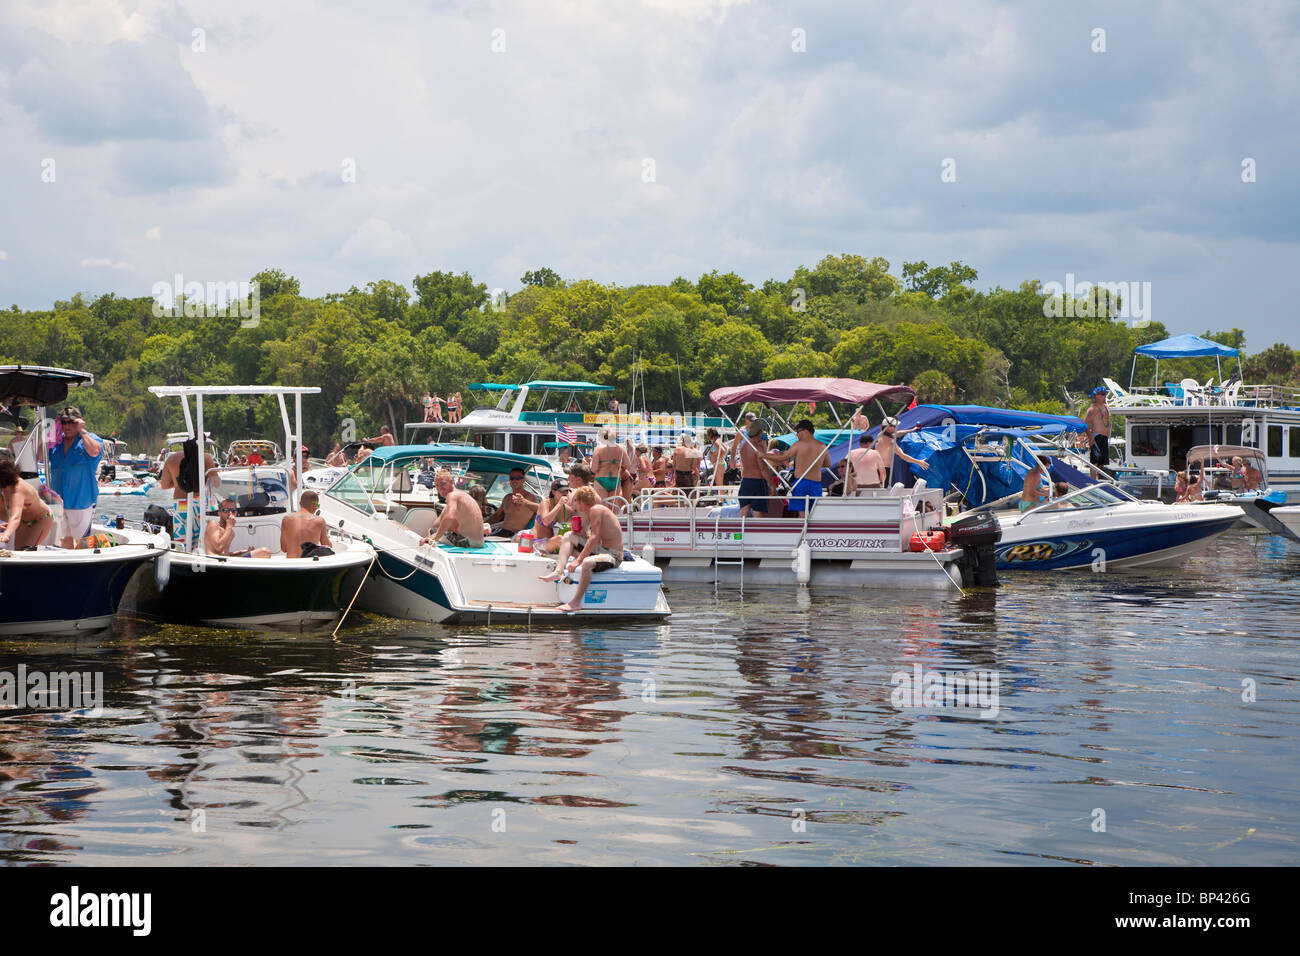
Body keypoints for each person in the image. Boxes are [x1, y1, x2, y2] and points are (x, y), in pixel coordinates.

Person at [540, 486, 625, 612]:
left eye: (575, 502)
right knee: (569, 536)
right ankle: (558, 571)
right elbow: (594, 537)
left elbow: (594, 538)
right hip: (602, 550)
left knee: (586, 563)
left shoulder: (596, 510)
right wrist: (581, 535)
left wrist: (578, 560)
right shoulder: (592, 511)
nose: (574, 507)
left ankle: (575, 602)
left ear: (579, 501)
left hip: (613, 555)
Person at [46, 406, 104, 548]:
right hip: (58, 503)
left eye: (72, 422)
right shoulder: (56, 444)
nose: (67, 426)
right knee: (63, 541)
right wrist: (51, 433)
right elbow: (40, 456)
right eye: (64, 422)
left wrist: (82, 431)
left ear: (79, 422)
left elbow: (95, 451)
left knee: (82, 542)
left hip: (81, 502)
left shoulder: (89, 439)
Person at [158, 435, 221, 550]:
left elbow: (164, 485)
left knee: (181, 542)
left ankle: (182, 560)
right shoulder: (205, 457)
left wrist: (177, 483)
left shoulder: (172, 458)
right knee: (198, 541)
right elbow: (216, 483)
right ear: (203, 443)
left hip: (179, 503)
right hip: (198, 501)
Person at [764, 420, 830, 513]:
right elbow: (828, 464)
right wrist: (814, 462)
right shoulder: (822, 446)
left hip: (801, 483)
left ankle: (803, 527)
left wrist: (763, 455)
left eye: (798, 431)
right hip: (816, 484)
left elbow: (783, 457)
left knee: (801, 514)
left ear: (806, 431)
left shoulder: (798, 445)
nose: (797, 434)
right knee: (814, 513)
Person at [419, 469, 485, 548]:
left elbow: (449, 517)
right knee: (438, 531)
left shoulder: (452, 495)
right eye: (436, 485)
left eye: (443, 484)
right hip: (478, 542)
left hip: (469, 543)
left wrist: (434, 539)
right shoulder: (462, 495)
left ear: (452, 482)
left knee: (433, 531)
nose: (439, 488)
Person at [0, 459, 53, 549]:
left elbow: (15, 517)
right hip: (23, 522)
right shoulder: (4, 487)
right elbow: (4, 512)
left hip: (40, 519)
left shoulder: (18, 489)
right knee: (17, 551)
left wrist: (6, 534)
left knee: (24, 551)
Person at [732, 417, 773, 517]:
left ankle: (738, 531)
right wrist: (772, 484)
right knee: (758, 512)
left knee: (744, 510)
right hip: (758, 482)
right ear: (759, 433)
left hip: (745, 481)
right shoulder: (757, 447)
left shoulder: (743, 446)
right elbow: (762, 468)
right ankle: (758, 532)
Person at [204, 499, 271, 558]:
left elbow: (224, 554)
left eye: (233, 510)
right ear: (219, 513)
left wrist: (241, 552)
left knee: (265, 553)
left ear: (236, 513)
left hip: (226, 562)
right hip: (214, 563)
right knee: (264, 552)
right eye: (226, 510)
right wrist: (229, 526)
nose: (230, 513)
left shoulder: (231, 532)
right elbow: (218, 548)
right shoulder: (213, 524)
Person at [486, 467, 541, 537]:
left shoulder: (531, 498)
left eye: (518, 478)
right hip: (501, 531)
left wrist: (525, 502)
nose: (514, 480)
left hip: (515, 535)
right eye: (512, 478)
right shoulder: (507, 498)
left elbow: (541, 509)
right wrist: (481, 524)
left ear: (523, 480)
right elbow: (496, 516)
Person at [875, 416, 929, 486]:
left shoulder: (880, 435)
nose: (896, 427)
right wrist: (919, 462)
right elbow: (902, 456)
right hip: (884, 470)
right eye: (894, 426)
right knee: (882, 491)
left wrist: (912, 430)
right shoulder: (890, 441)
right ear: (888, 427)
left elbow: (898, 433)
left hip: (877, 468)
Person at [281, 490, 334, 558]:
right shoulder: (319, 521)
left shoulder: (286, 519)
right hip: (308, 565)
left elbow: (284, 548)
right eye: (318, 505)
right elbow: (327, 546)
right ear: (314, 504)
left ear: (300, 503)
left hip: (291, 564)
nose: (317, 507)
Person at [589, 426, 630, 501]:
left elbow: (594, 469)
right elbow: (627, 464)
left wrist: (591, 464)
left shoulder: (598, 449)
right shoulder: (621, 449)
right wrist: (619, 469)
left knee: (603, 506)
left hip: (601, 479)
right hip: (615, 479)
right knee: (614, 508)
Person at [533, 479, 571, 554]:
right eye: (562, 491)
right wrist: (559, 505)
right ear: (553, 492)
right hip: (539, 543)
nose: (565, 493)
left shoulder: (568, 510)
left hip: (554, 545)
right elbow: (546, 521)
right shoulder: (545, 503)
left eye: (567, 491)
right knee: (560, 539)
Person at [1084, 387, 1112, 473]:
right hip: (1097, 436)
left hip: (1104, 437)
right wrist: (1090, 438)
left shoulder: (1106, 407)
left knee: (1102, 461)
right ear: (1096, 396)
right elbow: (1084, 424)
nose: (1104, 396)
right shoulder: (1092, 409)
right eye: (1102, 394)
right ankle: (1093, 480)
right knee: (1095, 461)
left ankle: (1097, 479)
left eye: (1105, 394)